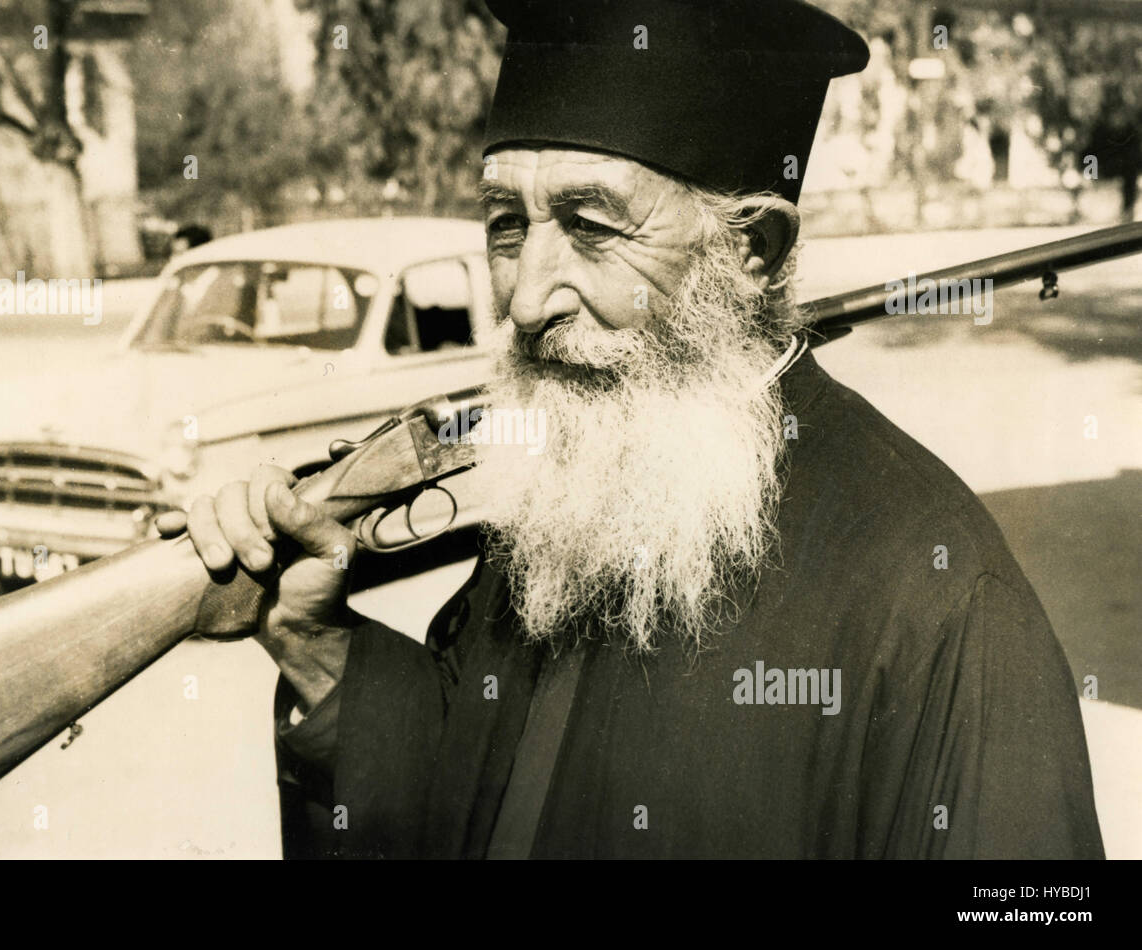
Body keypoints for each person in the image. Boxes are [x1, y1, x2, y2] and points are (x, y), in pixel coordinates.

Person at [163, 0, 1103, 859]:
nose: (525, 300)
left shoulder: (939, 596)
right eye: (505, 223)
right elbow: (483, 793)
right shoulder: (584, 480)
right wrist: (322, 655)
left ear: (749, 249)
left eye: (592, 226)